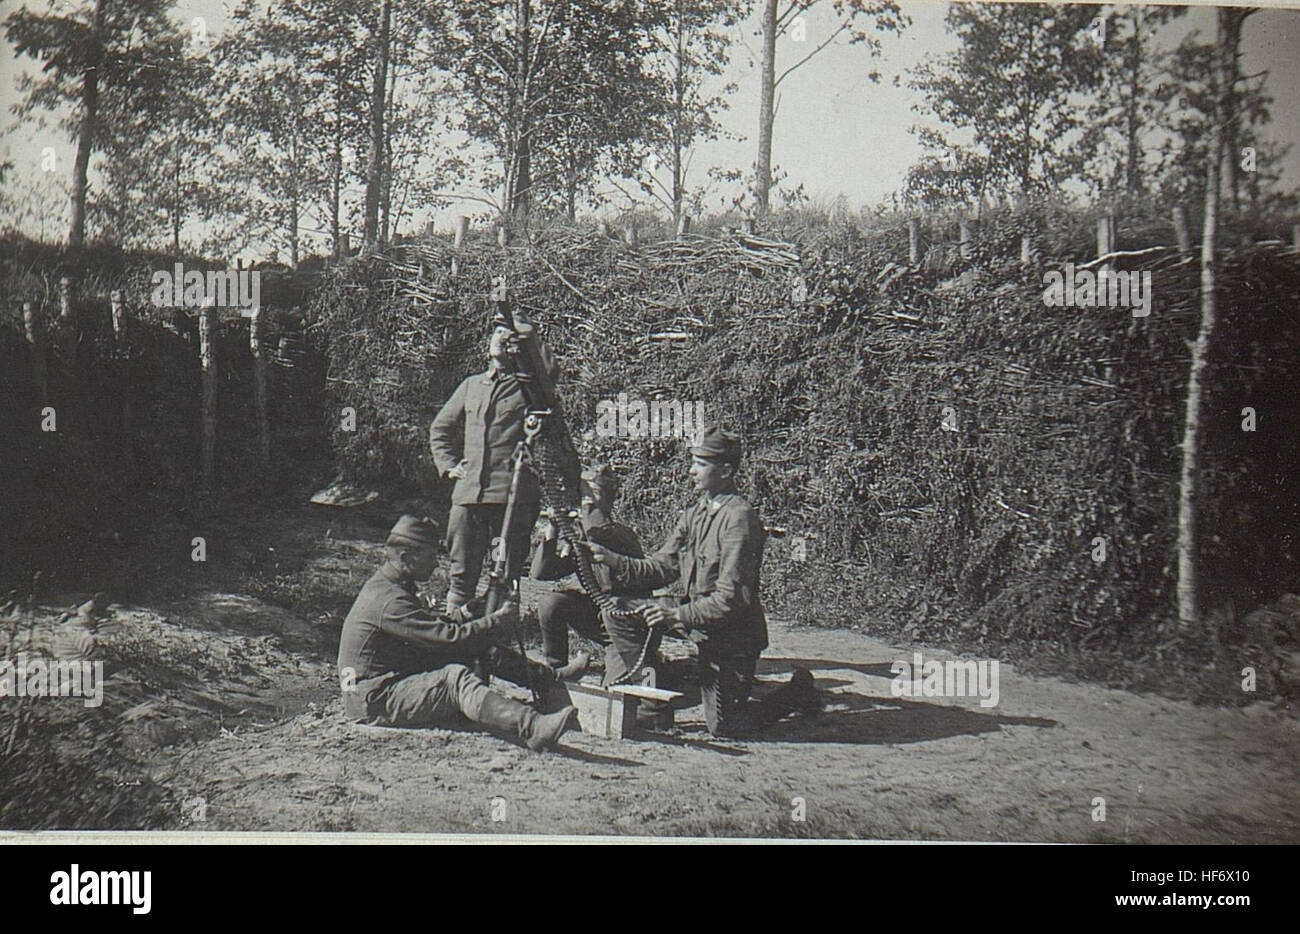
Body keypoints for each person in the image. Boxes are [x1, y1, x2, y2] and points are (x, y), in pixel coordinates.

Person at [589, 427, 819, 737]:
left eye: (700, 464)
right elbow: (661, 567)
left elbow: (731, 599)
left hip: (731, 637)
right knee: (618, 612)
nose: (691, 471)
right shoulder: (695, 513)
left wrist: (676, 615)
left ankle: (797, 692)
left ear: (725, 470)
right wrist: (609, 558)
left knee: (725, 725)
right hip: (694, 620)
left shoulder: (740, 519)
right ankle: (654, 705)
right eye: (693, 462)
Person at [336, 515, 577, 751]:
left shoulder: (390, 586)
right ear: (406, 557)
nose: (435, 564)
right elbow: (448, 640)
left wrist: (467, 612)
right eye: (430, 557)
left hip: (382, 683)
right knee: (454, 679)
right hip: (374, 698)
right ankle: (532, 727)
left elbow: (426, 626)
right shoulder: (389, 600)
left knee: (485, 650)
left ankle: (550, 681)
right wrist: (496, 621)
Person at [428, 305, 552, 616]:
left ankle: (501, 634)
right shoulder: (472, 385)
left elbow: (549, 373)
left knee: (505, 574)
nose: (499, 338)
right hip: (469, 496)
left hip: (510, 499)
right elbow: (440, 427)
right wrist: (448, 465)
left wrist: (529, 336)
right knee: (461, 573)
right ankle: (456, 629)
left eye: (506, 334)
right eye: (496, 331)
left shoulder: (529, 387)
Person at [530, 463, 650, 680]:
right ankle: (557, 671)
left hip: (627, 624)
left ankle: (651, 661)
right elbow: (540, 573)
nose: (586, 503)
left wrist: (577, 514)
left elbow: (598, 533)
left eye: (590, 497)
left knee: (617, 688)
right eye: (583, 497)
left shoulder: (619, 535)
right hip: (599, 618)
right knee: (551, 602)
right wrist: (553, 530)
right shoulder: (582, 537)